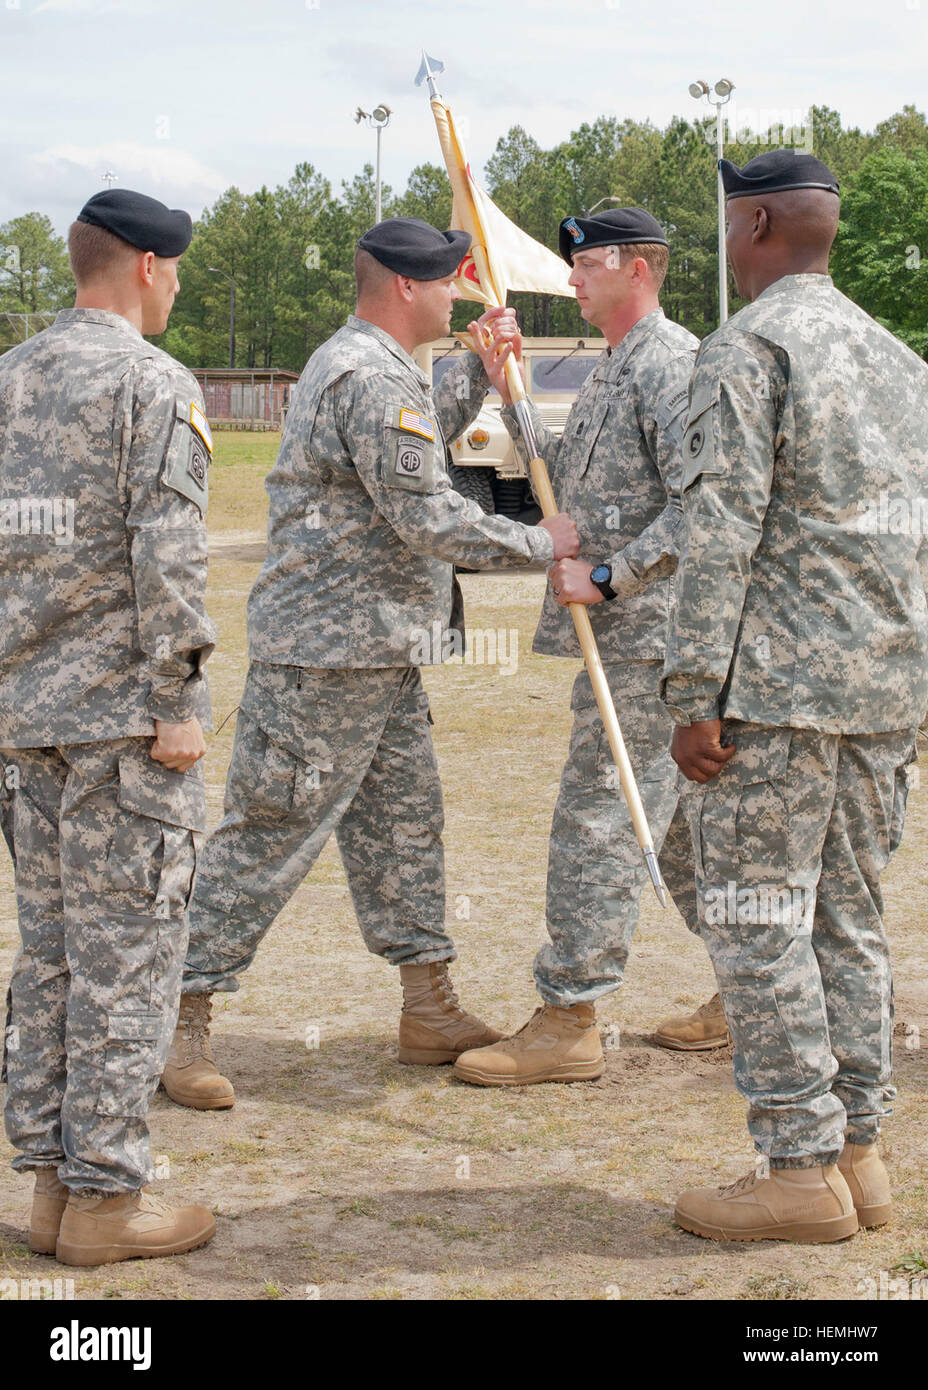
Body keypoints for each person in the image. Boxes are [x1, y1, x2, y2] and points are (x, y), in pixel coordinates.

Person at [161, 217, 579, 1110]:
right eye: (444, 283)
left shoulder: (384, 371)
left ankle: (429, 1006)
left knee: (404, 829)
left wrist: (482, 368)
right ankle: (175, 1016)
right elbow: (427, 514)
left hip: (381, 653)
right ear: (402, 286)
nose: (453, 294)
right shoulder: (362, 373)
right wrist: (541, 542)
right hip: (327, 656)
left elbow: (416, 433)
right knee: (270, 835)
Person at [662, 149, 928, 1242]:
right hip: (878, 693)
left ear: (760, 222)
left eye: (731, 221)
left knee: (756, 919)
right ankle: (858, 1154)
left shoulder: (747, 346)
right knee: (847, 921)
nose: (727, 241)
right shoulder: (897, 360)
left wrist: (692, 692)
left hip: (771, 696)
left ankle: (796, 1167)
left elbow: (717, 531)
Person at [0, 189, 218, 1264]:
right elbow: (166, 551)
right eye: (172, 267)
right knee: (128, 962)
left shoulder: (11, 374)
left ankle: (46, 1187)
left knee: (50, 960)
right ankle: (105, 1202)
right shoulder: (151, 382)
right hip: (124, 729)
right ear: (141, 265)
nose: (175, 285)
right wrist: (176, 699)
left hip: (24, 724)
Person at [452, 207, 710, 1088]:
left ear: (638, 268)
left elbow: (702, 502)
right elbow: (559, 478)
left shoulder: (671, 364)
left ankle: (570, 1016)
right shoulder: (614, 368)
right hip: (628, 638)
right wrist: (506, 382)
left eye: (587, 262)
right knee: (678, 833)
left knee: (600, 821)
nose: (572, 277)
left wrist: (611, 579)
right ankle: (754, 987)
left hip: (648, 641)